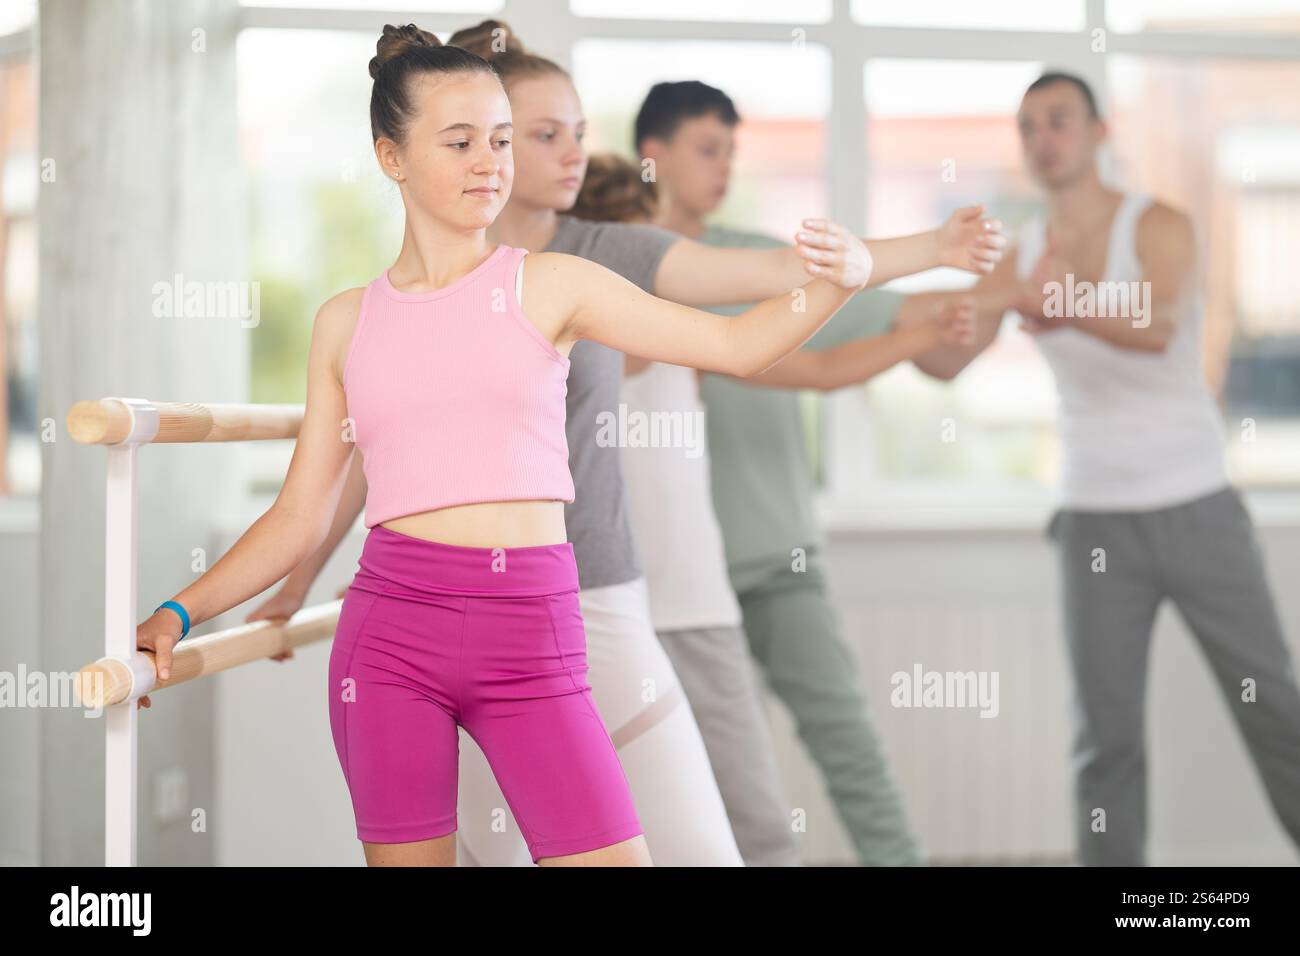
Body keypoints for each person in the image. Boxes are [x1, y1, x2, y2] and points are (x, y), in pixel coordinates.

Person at [244, 19, 1004, 867]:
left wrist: (922, 251)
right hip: (440, 611)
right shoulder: (382, 311)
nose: (560, 153)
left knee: (691, 839)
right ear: (414, 151)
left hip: (588, 595)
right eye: (528, 135)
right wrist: (295, 584)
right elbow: (374, 464)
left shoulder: (592, 261)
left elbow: (763, 293)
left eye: (567, 133)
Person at [903, 70, 1300, 866]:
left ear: (1098, 134)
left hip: (1196, 506)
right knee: (1104, 738)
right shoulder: (1018, 256)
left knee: (1276, 713)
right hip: (1093, 520)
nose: (1043, 139)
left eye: (1058, 121)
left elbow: (1156, 323)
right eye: (1028, 127)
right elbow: (946, 362)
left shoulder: (1159, 224)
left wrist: (1053, 300)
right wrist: (900, 313)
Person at [572, 152, 975, 865]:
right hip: (605, 618)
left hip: (696, 609)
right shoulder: (568, 343)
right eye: (642, 246)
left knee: (751, 824)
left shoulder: (679, 336)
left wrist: (919, 334)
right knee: (621, 828)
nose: (656, 263)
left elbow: (813, 368)